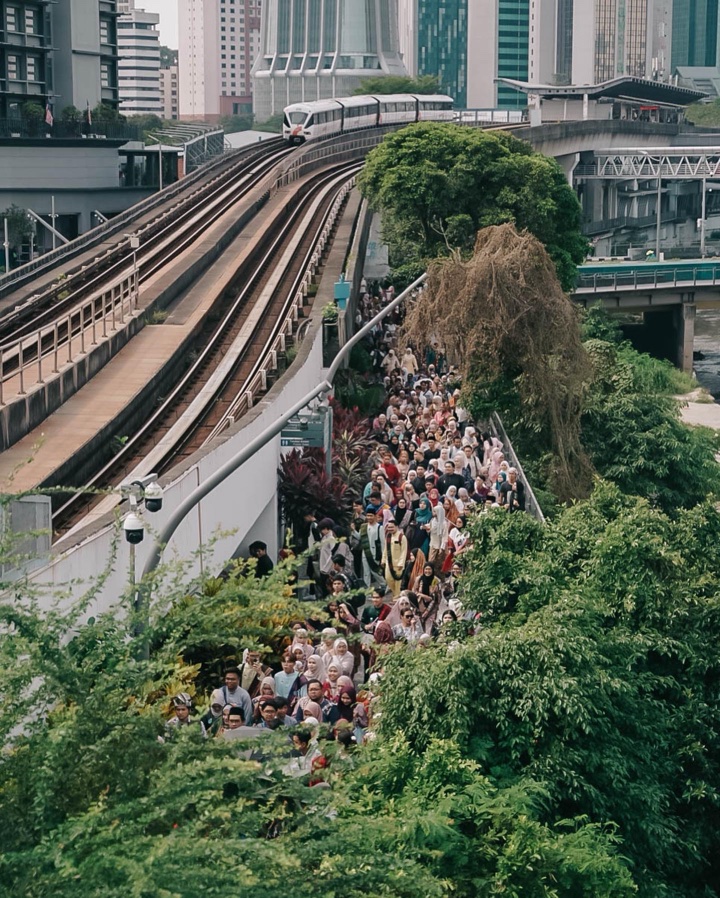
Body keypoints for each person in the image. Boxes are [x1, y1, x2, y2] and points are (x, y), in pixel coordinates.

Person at [382, 520, 408, 598]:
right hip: (389, 563)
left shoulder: (402, 537)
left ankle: (396, 597)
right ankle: (395, 595)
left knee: (398, 582)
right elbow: (385, 549)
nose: (390, 529)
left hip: (398, 564)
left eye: (392, 527)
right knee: (388, 579)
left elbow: (404, 551)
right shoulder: (388, 536)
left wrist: (401, 563)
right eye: (389, 527)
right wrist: (383, 560)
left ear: (396, 527)